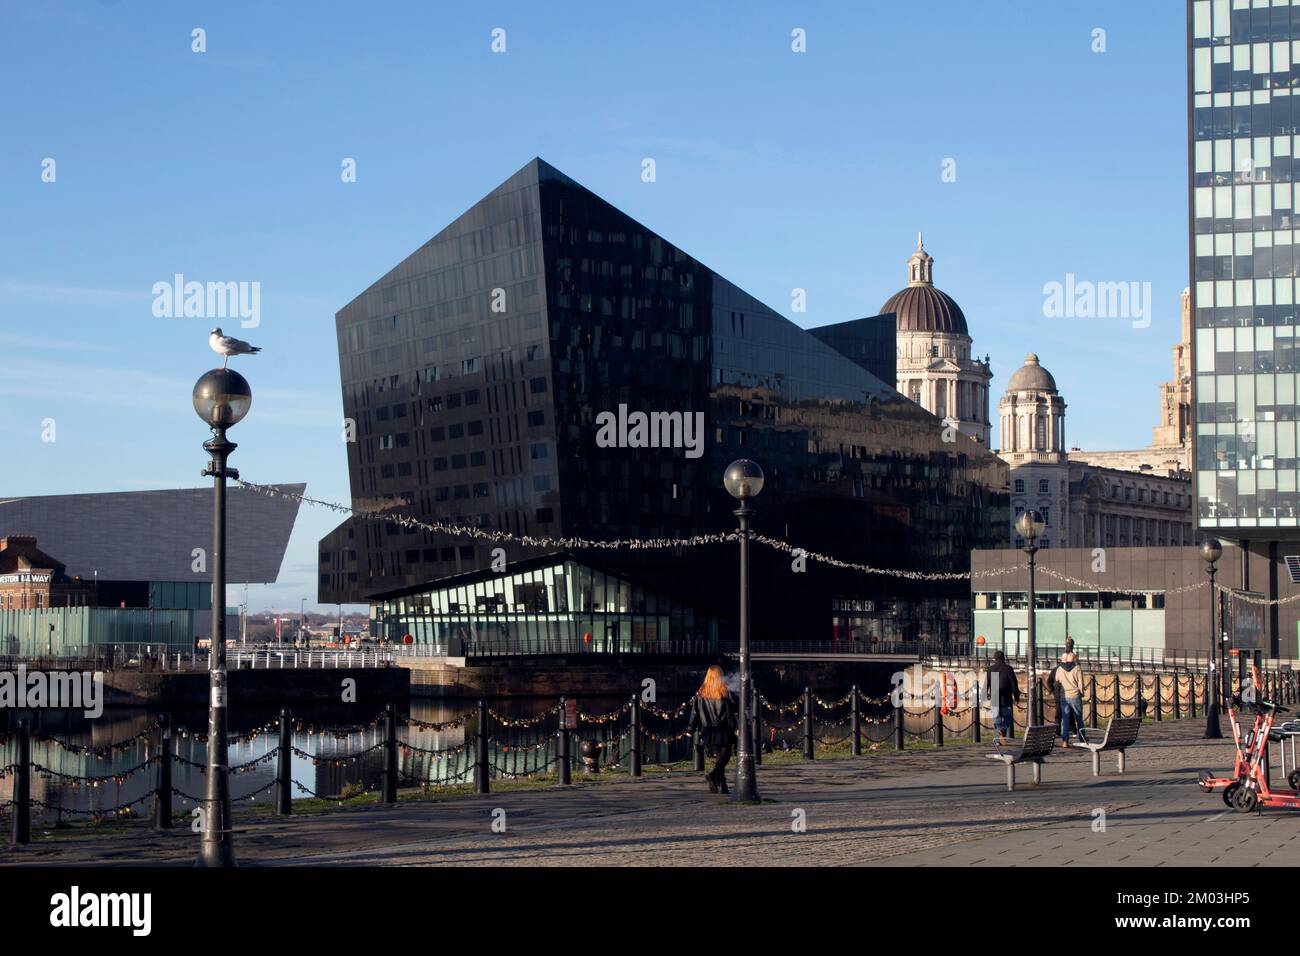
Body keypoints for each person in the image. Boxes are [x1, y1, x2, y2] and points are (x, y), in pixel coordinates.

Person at [686, 664, 738, 794]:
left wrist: (690, 729)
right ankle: (713, 775)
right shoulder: (725, 691)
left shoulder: (701, 692)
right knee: (725, 756)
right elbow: (734, 708)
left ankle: (721, 786)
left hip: (708, 729)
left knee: (719, 757)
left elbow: (695, 712)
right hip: (723, 729)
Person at [1050, 639, 1087, 747]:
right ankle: (1082, 738)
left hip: (1064, 696)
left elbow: (1057, 680)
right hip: (1075, 695)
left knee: (1065, 719)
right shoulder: (1077, 668)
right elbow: (1081, 682)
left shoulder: (1060, 669)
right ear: (1073, 659)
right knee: (1079, 718)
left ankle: (1065, 741)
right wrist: (1082, 692)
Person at [984, 650, 1020, 745]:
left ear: (994, 659)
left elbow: (987, 683)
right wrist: (1016, 696)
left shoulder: (991, 669)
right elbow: (1014, 684)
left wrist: (984, 697)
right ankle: (1001, 733)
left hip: (995, 696)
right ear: (1003, 658)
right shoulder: (1008, 669)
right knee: (1007, 719)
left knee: (996, 719)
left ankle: (997, 740)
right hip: (1006, 697)